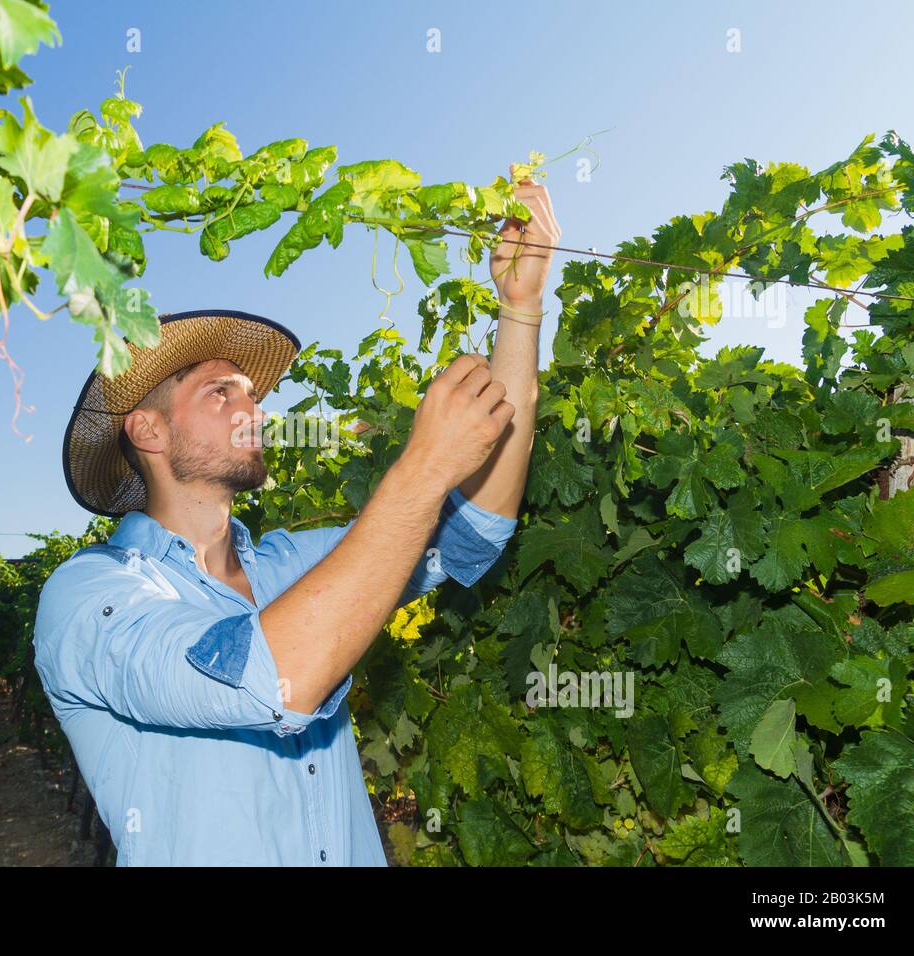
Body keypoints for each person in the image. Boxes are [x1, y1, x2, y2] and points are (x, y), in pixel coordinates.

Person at [33, 177, 560, 865]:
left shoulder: (290, 563)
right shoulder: (89, 598)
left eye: (252, 394)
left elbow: (471, 538)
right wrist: (422, 470)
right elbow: (270, 675)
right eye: (219, 392)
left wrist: (520, 313)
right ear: (148, 430)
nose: (252, 409)